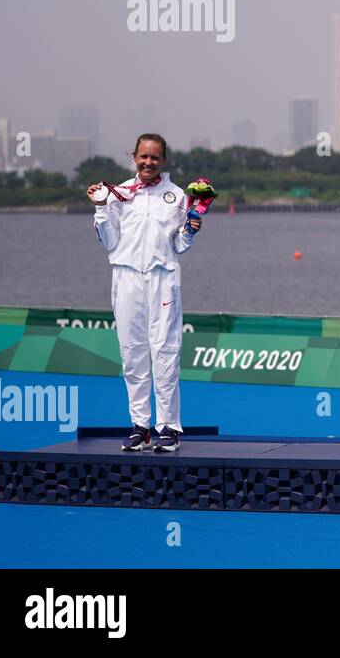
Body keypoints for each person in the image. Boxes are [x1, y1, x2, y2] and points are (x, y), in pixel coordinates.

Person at [87, 134, 202, 452]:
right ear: (134, 157)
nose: (148, 162)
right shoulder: (119, 194)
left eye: (154, 158)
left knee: (165, 354)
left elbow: (179, 245)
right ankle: (141, 426)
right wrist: (99, 208)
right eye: (143, 157)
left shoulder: (177, 196)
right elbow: (109, 241)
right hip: (126, 279)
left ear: (163, 161)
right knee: (132, 354)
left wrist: (190, 231)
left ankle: (168, 428)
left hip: (163, 279)